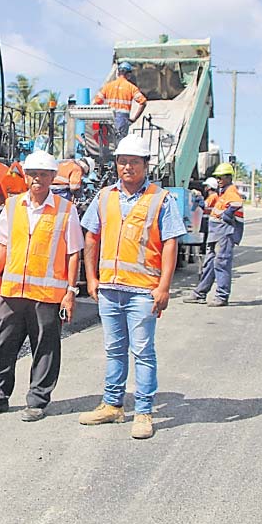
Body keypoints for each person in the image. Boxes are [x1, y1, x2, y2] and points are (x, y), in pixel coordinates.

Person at [77, 134, 186, 439]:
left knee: (142, 351)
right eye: (122, 161)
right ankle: (112, 405)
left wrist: (164, 287)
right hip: (110, 288)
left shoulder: (161, 199)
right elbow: (91, 237)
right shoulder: (104, 197)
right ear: (116, 164)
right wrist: (92, 278)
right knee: (113, 350)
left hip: (142, 290)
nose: (127, 167)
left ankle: (143, 412)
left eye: (134, 162)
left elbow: (170, 244)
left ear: (145, 165)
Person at [0, 150, 84, 422]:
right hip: (12, 292)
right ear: (26, 177)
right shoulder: (12, 207)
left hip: (47, 296)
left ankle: (37, 401)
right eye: (33, 174)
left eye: (44, 174)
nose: (38, 179)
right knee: (3, 345)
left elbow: (74, 253)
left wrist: (70, 293)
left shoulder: (66, 210)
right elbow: (2, 246)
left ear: (52, 178)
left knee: (45, 349)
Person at [184, 163, 244, 307]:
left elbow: (237, 203)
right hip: (215, 234)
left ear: (229, 177)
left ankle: (222, 296)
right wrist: (200, 202)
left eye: (221, 177)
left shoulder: (231, 193)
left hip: (224, 234)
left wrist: (227, 215)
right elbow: (210, 209)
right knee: (210, 264)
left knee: (221, 264)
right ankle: (200, 293)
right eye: (217, 177)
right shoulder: (221, 195)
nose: (218, 180)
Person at [93, 61, 148, 138]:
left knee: (109, 143)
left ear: (118, 72)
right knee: (120, 143)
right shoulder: (131, 87)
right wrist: (134, 119)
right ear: (128, 74)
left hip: (109, 118)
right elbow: (143, 102)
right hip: (123, 119)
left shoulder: (108, 86)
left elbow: (96, 102)